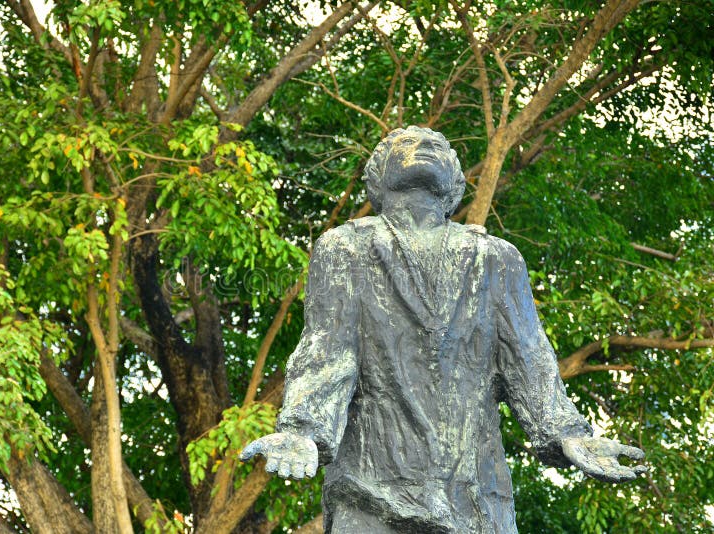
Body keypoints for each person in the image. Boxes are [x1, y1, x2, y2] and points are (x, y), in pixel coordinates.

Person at [241, 126, 645, 533]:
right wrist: (302, 430)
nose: (422, 146)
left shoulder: (496, 258)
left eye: (436, 146)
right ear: (377, 176)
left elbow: (529, 358)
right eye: (406, 143)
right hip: (371, 487)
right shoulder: (346, 248)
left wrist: (570, 434)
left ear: (454, 181)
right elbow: (327, 350)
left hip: (476, 494)